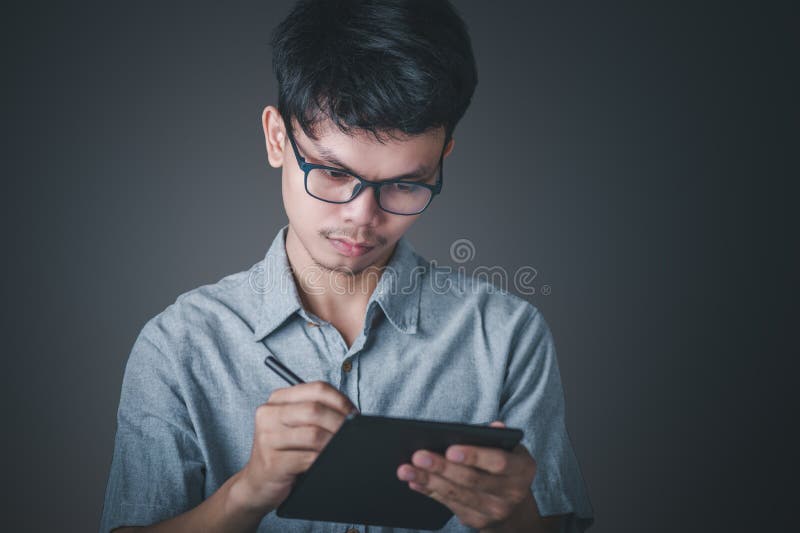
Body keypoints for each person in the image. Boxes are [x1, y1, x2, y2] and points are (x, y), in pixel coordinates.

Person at [99, 0, 593, 531]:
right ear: (276, 138)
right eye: (334, 173)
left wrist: (513, 517)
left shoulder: (507, 336)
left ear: (441, 160)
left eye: (405, 184)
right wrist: (246, 494)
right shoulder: (179, 346)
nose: (362, 218)